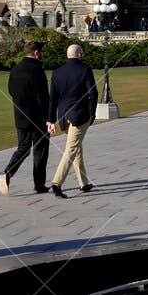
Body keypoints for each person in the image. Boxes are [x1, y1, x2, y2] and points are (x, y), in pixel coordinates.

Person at [0, 39, 50, 195]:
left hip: (20, 115)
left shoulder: (15, 70)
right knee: (40, 150)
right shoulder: (37, 70)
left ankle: (7, 172)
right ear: (36, 52)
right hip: (37, 117)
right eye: (41, 52)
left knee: (23, 148)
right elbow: (43, 97)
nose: (42, 55)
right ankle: (39, 184)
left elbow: (11, 92)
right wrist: (49, 117)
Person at [48, 44, 99, 198]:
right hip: (79, 116)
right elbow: (93, 93)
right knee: (71, 148)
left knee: (76, 146)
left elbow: (52, 99)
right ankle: (57, 183)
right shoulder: (85, 69)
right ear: (80, 54)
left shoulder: (57, 72)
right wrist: (92, 114)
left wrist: (51, 120)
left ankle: (83, 182)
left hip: (63, 116)